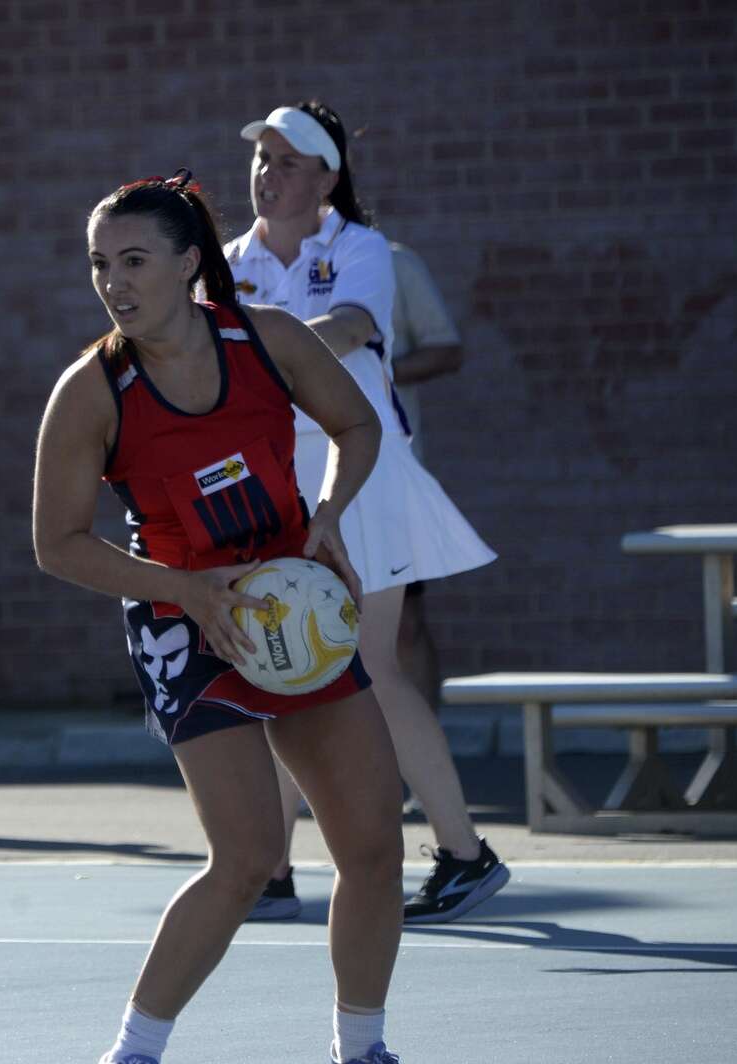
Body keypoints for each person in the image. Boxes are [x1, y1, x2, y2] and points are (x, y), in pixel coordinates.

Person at [33, 171, 405, 1064]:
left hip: (293, 606)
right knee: (245, 858)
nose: (113, 282)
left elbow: (359, 427)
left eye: (133, 260)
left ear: (188, 262)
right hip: (187, 618)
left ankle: (362, 1049)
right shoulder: (92, 391)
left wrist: (327, 517)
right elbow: (57, 544)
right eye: (98, 264)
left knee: (374, 847)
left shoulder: (267, 339)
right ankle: (133, 1053)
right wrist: (189, 590)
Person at [225, 102, 505, 926]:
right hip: (272, 484)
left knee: (373, 669)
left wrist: (248, 353)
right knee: (273, 664)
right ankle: (272, 870)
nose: (268, 173)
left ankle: (465, 854)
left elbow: (348, 328)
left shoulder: (362, 249)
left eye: (288, 161)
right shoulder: (228, 260)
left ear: (328, 178)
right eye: (262, 158)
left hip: (362, 477)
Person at [388, 240, 468, 713]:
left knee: (404, 623)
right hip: (290, 481)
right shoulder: (241, 259)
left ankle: (424, 751)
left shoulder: (391, 260)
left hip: (387, 480)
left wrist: (372, 371)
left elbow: (446, 349)